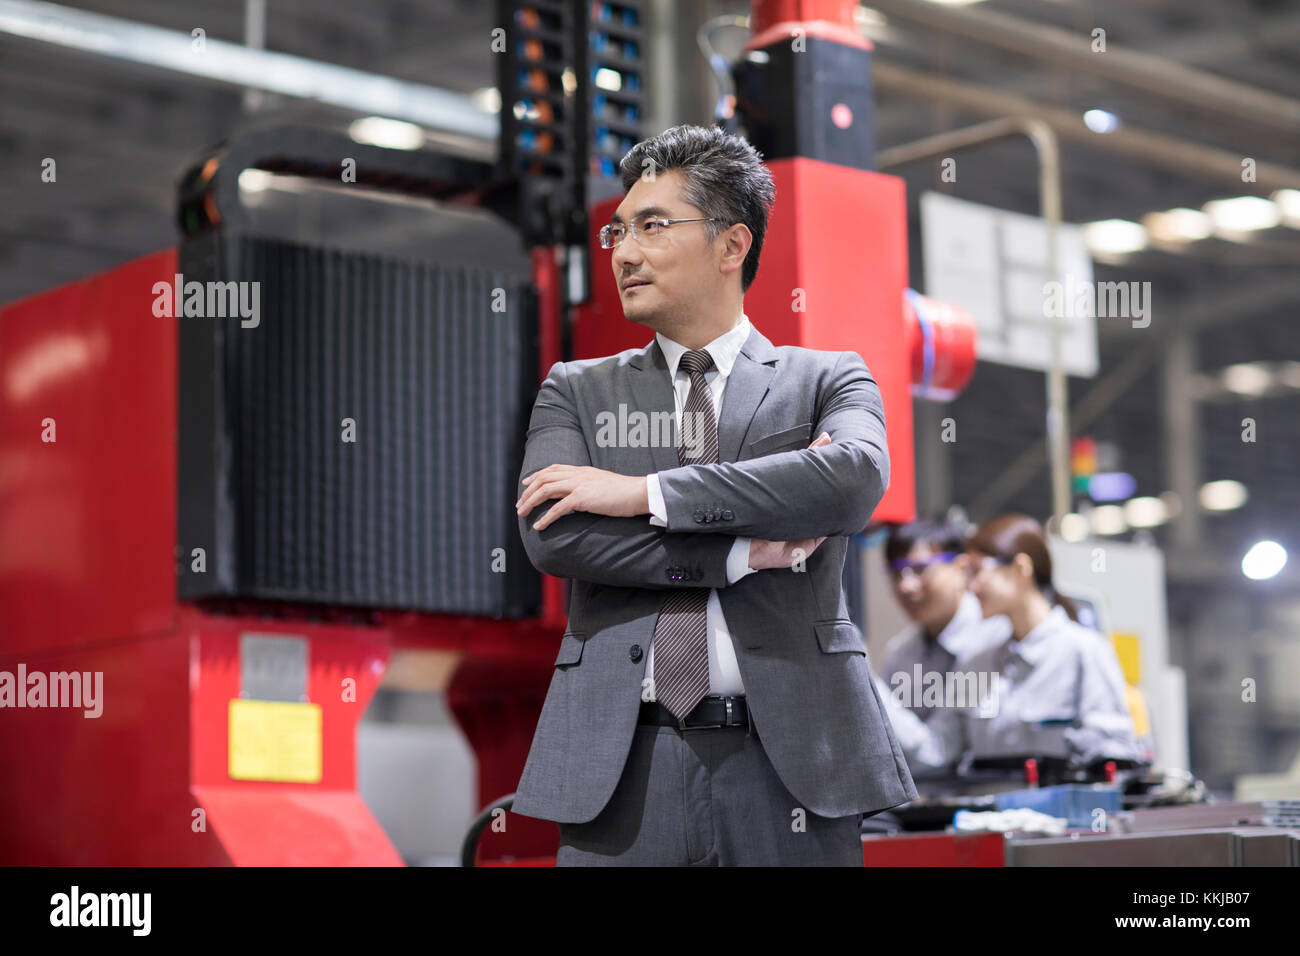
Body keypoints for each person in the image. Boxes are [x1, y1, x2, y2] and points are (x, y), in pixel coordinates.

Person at [511, 124, 915, 865]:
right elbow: (554, 535)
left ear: (732, 246)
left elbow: (851, 482)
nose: (626, 253)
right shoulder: (576, 389)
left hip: (791, 762)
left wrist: (645, 494)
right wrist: (733, 554)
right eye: (618, 232)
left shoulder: (827, 378)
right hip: (621, 764)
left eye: (653, 226)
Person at [930, 514, 1145, 767]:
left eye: (977, 570)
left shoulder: (1084, 652)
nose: (971, 586)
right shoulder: (975, 663)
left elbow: (1115, 754)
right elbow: (936, 751)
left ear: (1021, 568)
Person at [881, 520, 1010, 723]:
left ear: (961, 568)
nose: (906, 585)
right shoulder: (898, 657)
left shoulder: (997, 637)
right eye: (896, 574)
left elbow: (941, 750)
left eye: (920, 569)